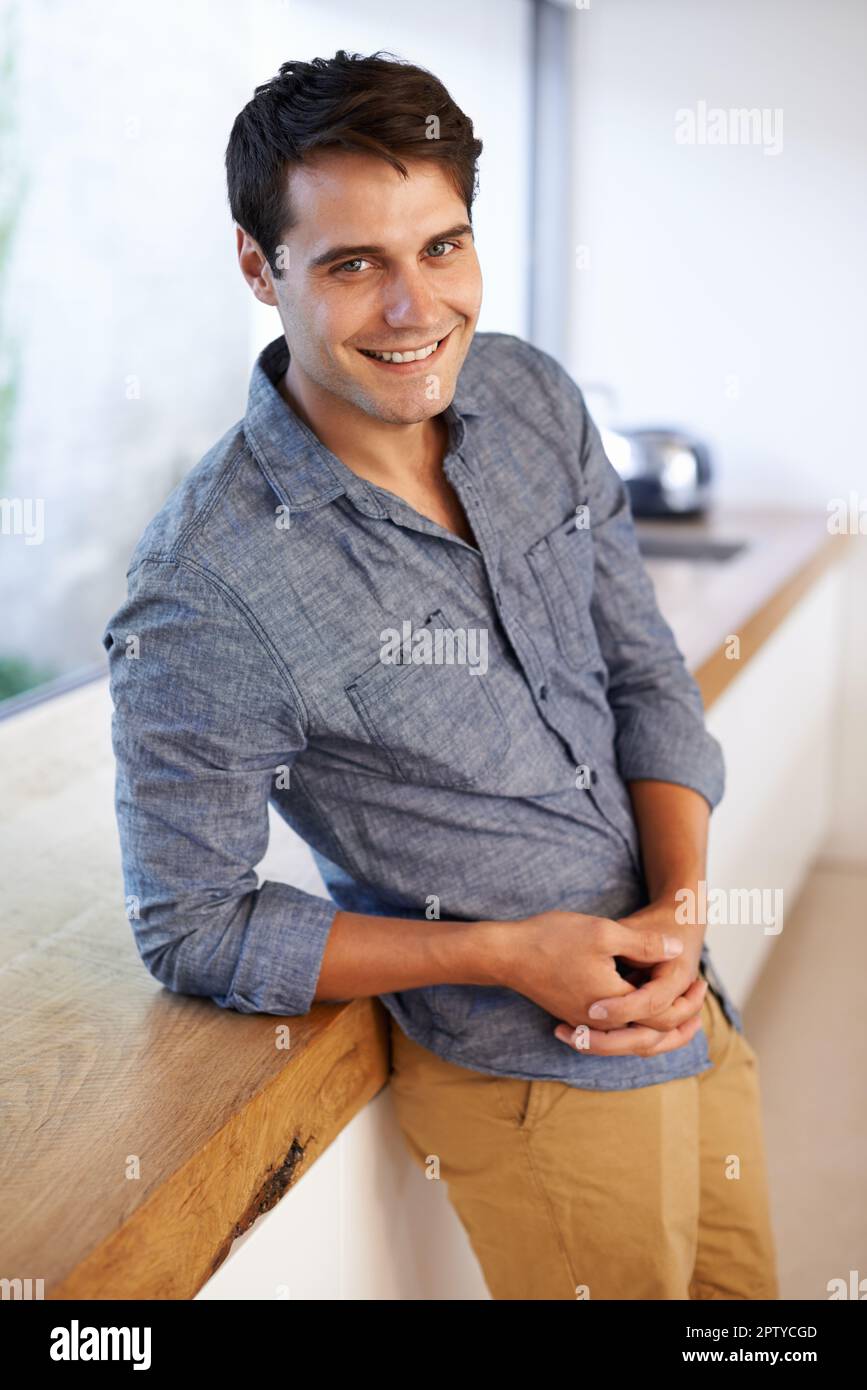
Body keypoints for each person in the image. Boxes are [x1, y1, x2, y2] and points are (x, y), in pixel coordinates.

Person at [102, 50, 778, 1300]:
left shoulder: (528, 395)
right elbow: (190, 924)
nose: (417, 308)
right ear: (262, 269)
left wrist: (682, 905)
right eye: (354, 264)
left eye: (442, 248)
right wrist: (505, 950)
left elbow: (645, 678)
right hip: (539, 1084)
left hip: (691, 999)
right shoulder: (208, 584)